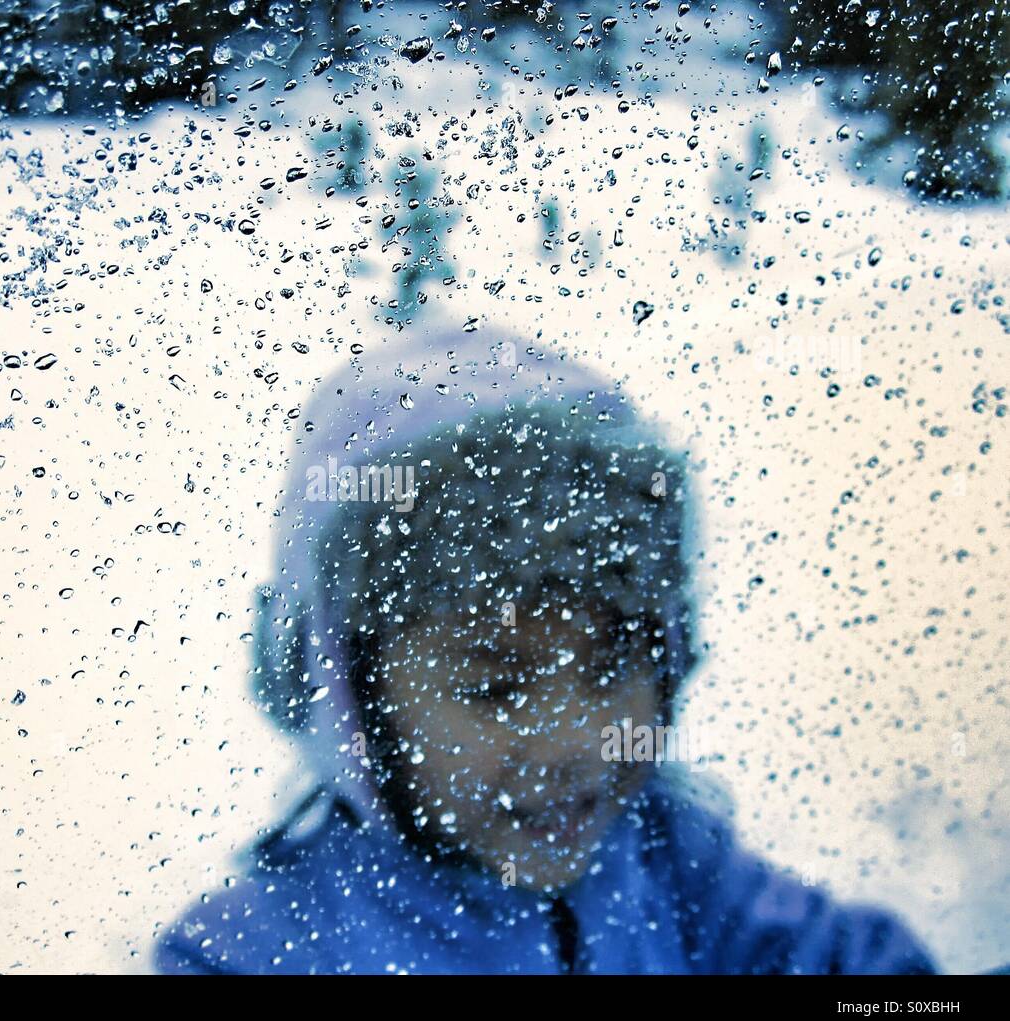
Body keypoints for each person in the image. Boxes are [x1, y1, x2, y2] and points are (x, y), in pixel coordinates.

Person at [156, 328, 935, 974]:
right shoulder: (258, 953)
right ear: (350, 698)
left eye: (610, 665)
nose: (577, 743)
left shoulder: (667, 862)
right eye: (497, 689)